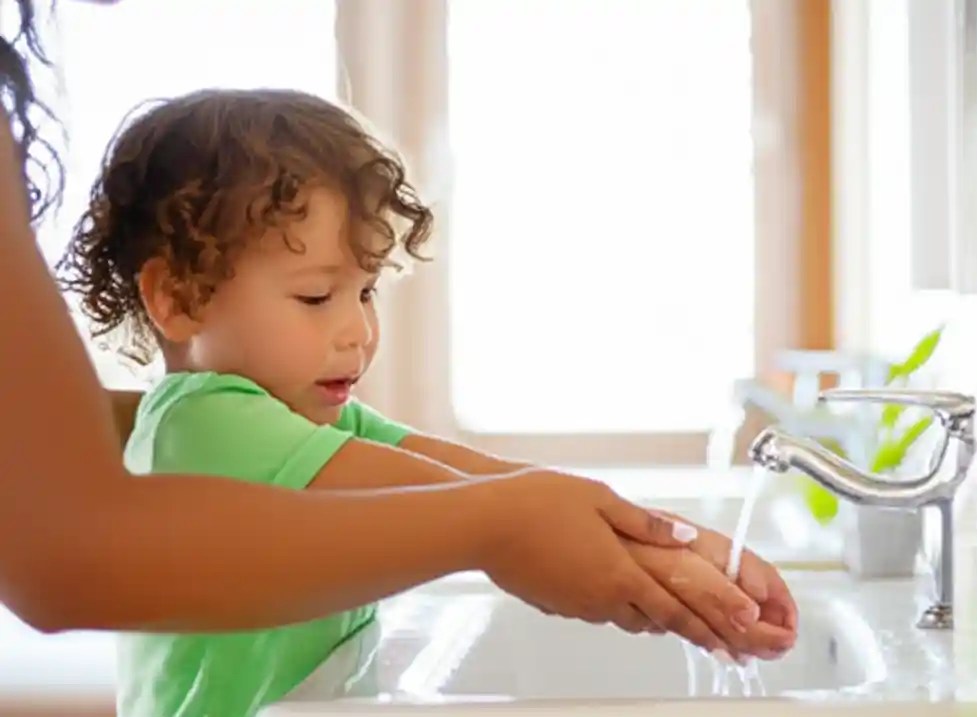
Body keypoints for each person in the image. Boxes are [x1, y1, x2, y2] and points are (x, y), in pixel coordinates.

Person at [0, 0, 795, 668]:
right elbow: (478, 504)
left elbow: (466, 474)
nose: (359, 331)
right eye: (315, 297)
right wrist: (633, 549)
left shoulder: (291, 418)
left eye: (367, 291)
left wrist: (666, 542)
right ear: (178, 300)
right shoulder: (209, 421)